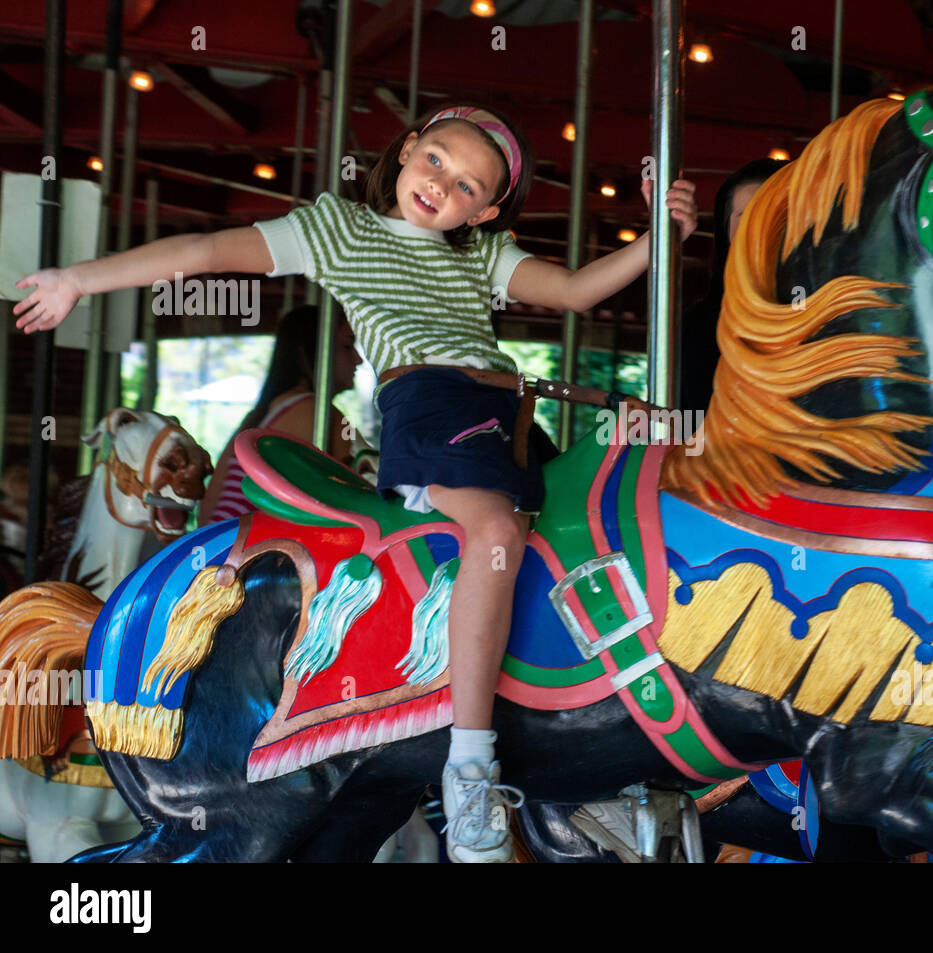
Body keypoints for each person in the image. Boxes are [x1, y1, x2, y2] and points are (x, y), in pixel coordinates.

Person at [13, 103, 696, 863]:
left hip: (504, 413)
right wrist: (77, 278)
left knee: (586, 528)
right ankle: (470, 771)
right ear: (407, 150)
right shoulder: (343, 229)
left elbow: (573, 291)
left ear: (490, 208)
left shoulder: (481, 254)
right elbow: (206, 248)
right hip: (430, 407)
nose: (443, 185)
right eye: (436, 160)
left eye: (469, 185)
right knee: (497, 534)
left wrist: (657, 236)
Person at [199, 305, 362, 526]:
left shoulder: (261, 413)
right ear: (313, 349)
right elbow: (364, 480)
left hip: (222, 543)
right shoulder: (312, 410)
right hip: (253, 548)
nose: (358, 359)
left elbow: (211, 503)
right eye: (347, 346)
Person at [680, 157, 787, 413]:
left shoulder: (820, 316)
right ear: (726, 231)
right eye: (747, 216)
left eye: (777, 213)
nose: (763, 228)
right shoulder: (699, 325)